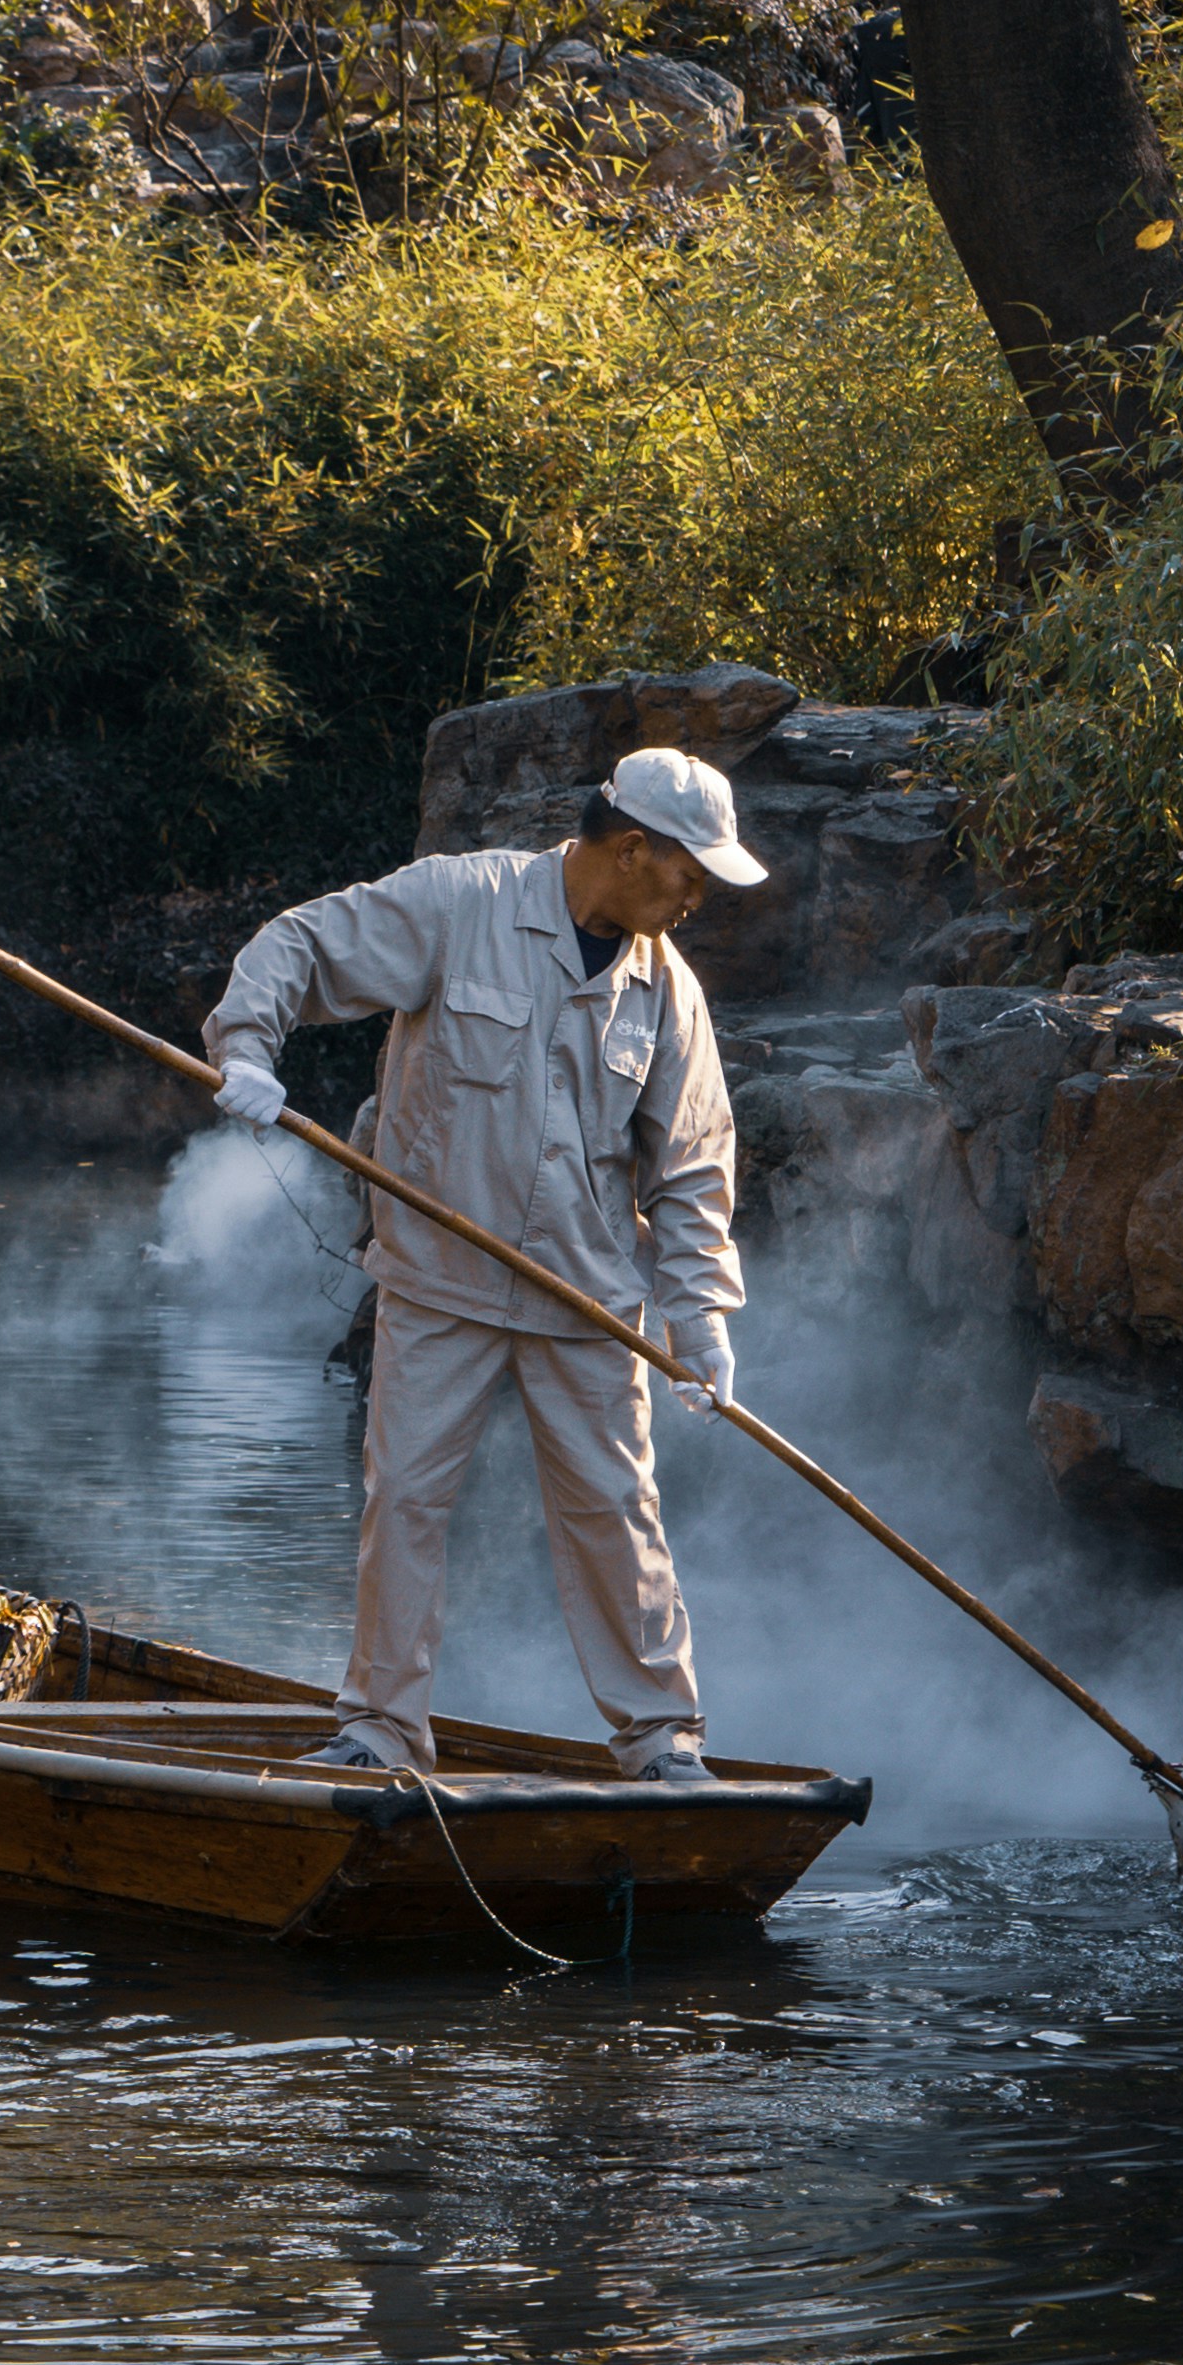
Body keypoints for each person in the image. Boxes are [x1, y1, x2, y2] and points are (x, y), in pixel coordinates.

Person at [200, 743, 758, 1782]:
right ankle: (378, 1729)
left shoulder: (666, 993)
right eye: (691, 874)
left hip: (586, 1299)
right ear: (633, 848)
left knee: (615, 1514)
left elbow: (690, 1169)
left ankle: (661, 1740)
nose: (698, 899)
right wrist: (245, 1049)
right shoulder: (461, 902)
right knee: (403, 1500)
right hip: (437, 1279)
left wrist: (701, 1319)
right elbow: (305, 945)